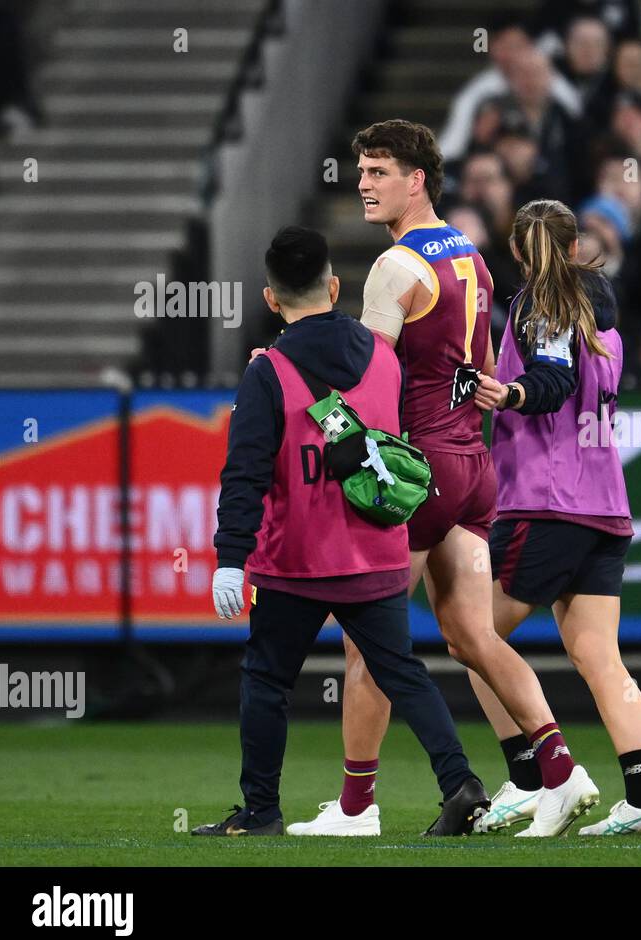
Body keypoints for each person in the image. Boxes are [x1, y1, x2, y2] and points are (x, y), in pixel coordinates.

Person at [289, 121, 597, 838]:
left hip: (416, 470)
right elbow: (485, 366)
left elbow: (367, 389)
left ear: (416, 179)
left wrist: (308, 400)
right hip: (470, 468)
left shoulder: (395, 270)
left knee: (365, 641)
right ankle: (561, 770)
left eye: (377, 171)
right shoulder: (474, 260)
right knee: (471, 636)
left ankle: (358, 809)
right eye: (361, 171)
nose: (363, 183)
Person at [194, 228, 486, 837]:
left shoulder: (268, 372)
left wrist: (230, 559)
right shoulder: (385, 358)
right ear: (334, 287)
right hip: (376, 551)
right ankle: (460, 783)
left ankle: (261, 811)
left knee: (268, 679)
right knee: (401, 671)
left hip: (296, 559)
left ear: (272, 300)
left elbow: (244, 475)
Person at [470, 199, 641, 836]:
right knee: (598, 657)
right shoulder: (604, 316)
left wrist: (511, 393)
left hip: (543, 501)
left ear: (521, 251)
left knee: (473, 637)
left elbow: (550, 378)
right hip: (605, 506)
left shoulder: (540, 304)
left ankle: (536, 779)